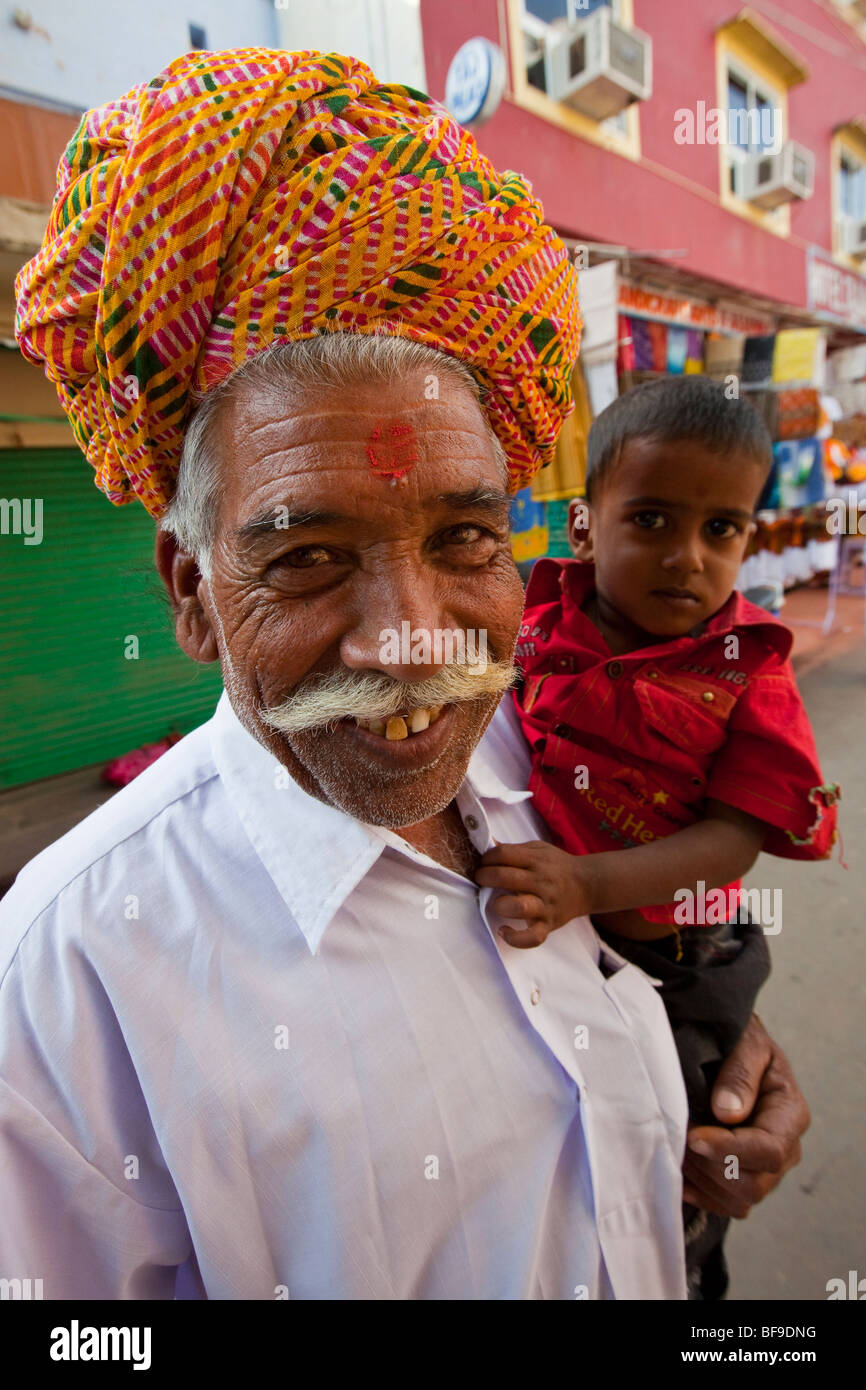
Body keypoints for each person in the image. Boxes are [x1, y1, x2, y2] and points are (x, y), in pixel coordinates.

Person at [0, 49, 807, 1301]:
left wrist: (714, 1044)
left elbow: (666, 907)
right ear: (188, 593)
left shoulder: (543, 746)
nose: (411, 638)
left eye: (464, 539)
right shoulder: (67, 982)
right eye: (311, 557)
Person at [476, 377, 838, 1295]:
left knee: (677, 1157)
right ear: (584, 528)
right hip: (557, 952)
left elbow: (734, 838)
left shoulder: (747, 666)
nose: (687, 557)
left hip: (685, 967)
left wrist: (589, 886)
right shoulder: (534, 622)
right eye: (651, 521)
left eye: (722, 529)